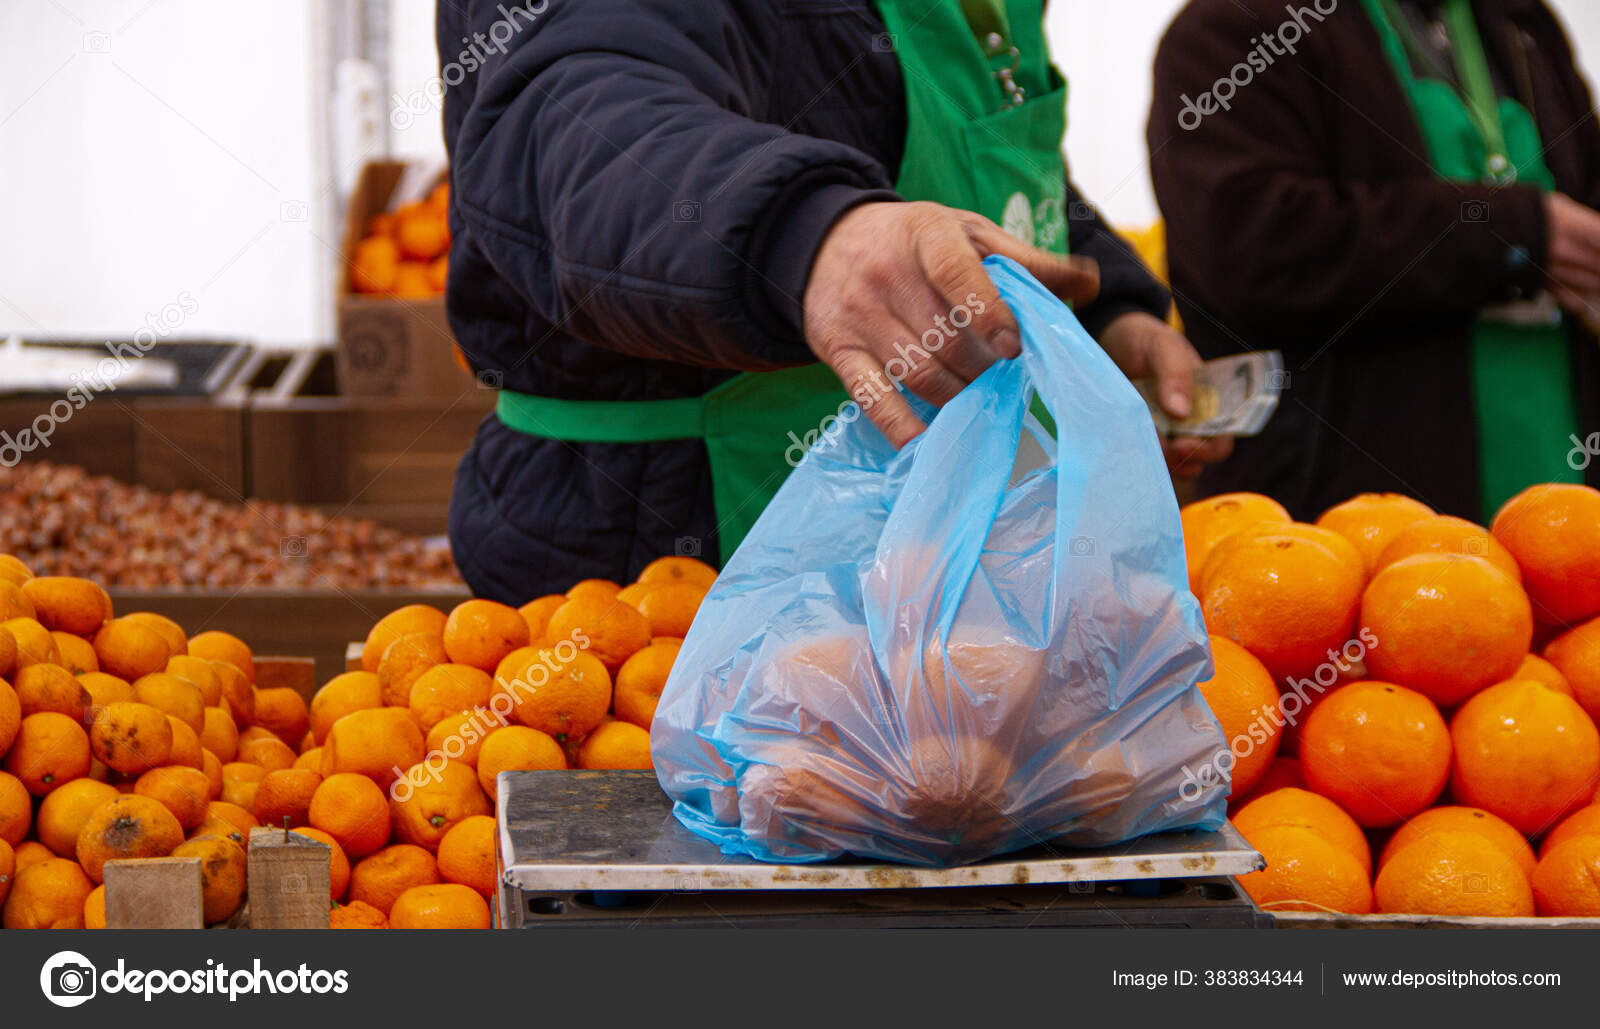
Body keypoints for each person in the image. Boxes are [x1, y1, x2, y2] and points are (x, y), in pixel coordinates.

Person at [439, 0, 1228, 602]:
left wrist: (1102, 311)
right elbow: (573, 121)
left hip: (958, 558)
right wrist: (805, 233)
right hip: (681, 545)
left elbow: (980, 144)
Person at [1150, 0, 1600, 522]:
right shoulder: (1236, 26)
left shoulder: (1519, 20)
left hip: (1557, 476)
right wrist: (1512, 232)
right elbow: (1254, 250)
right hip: (1339, 517)